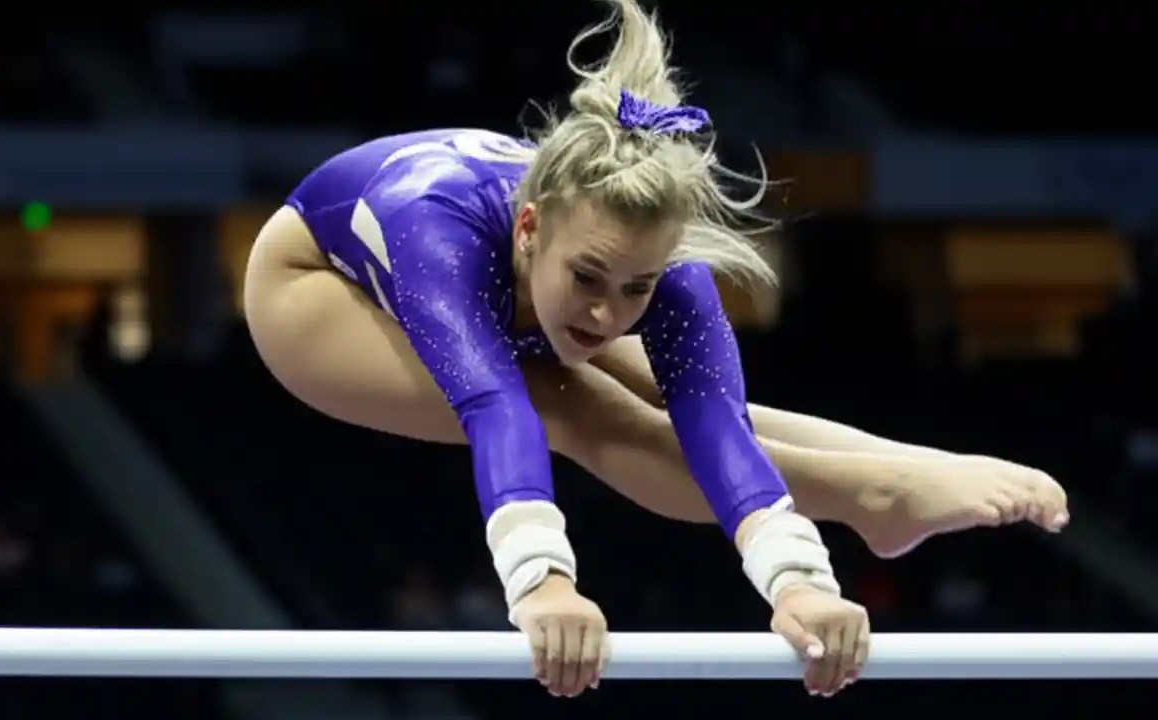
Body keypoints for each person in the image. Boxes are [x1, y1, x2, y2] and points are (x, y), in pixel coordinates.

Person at [243, 0, 1069, 700]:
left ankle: (892, 480)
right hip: (315, 284)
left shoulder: (658, 268)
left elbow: (717, 428)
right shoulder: (441, 236)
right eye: (593, 277)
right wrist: (544, 585)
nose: (610, 311)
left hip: (509, 297)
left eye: (637, 287)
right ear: (530, 229)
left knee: (697, 399)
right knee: (570, 402)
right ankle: (878, 494)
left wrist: (800, 586)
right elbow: (498, 408)